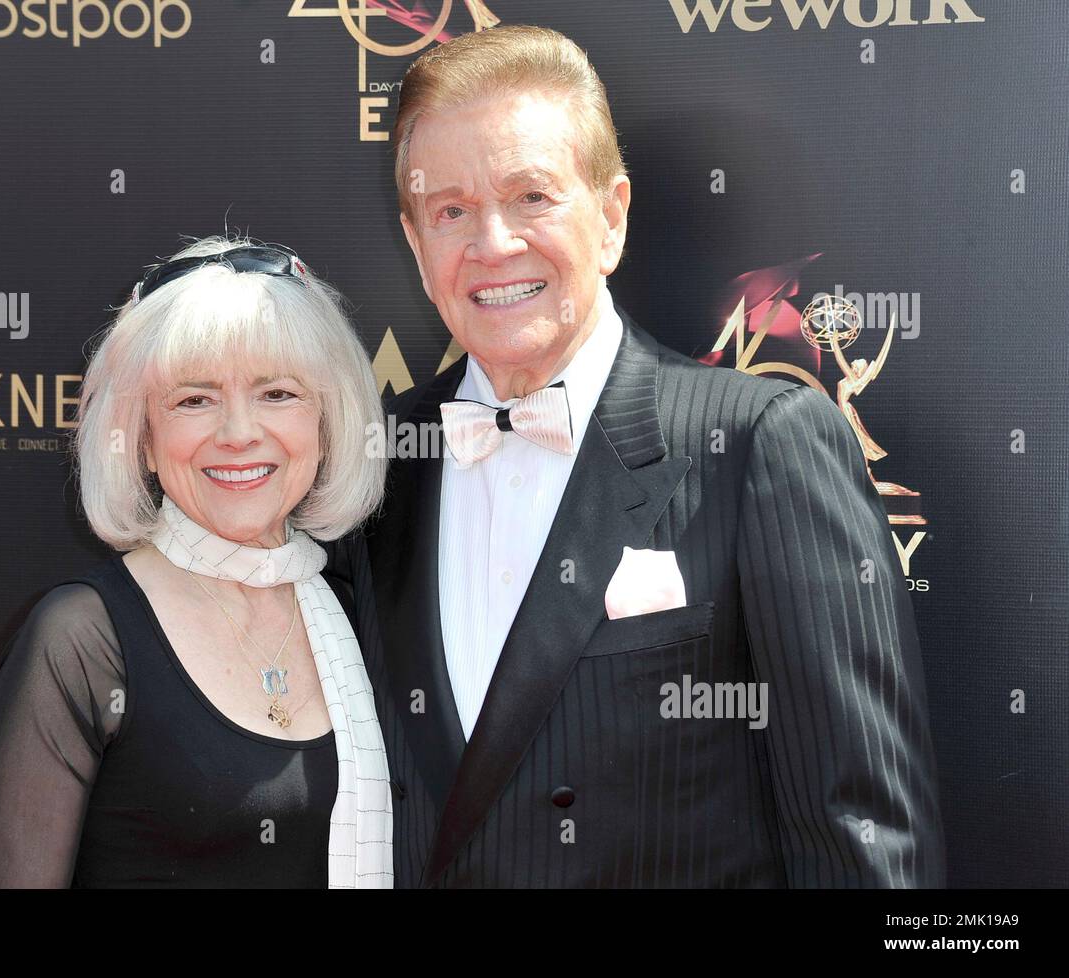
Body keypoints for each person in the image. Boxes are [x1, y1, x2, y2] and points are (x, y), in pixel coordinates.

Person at [325, 25, 946, 888]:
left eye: (532, 196)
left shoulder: (759, 444)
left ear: (611, 215)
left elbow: (863, 835)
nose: (492, 242)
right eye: (451, 210)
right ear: (416, 244)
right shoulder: (372, 469)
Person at [0, 236, 392, 888]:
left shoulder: (362, 616)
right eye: (194, 400)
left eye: (277, 394)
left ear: (327, 422)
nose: (238, 432)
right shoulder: (81, 641)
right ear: (142, 439)